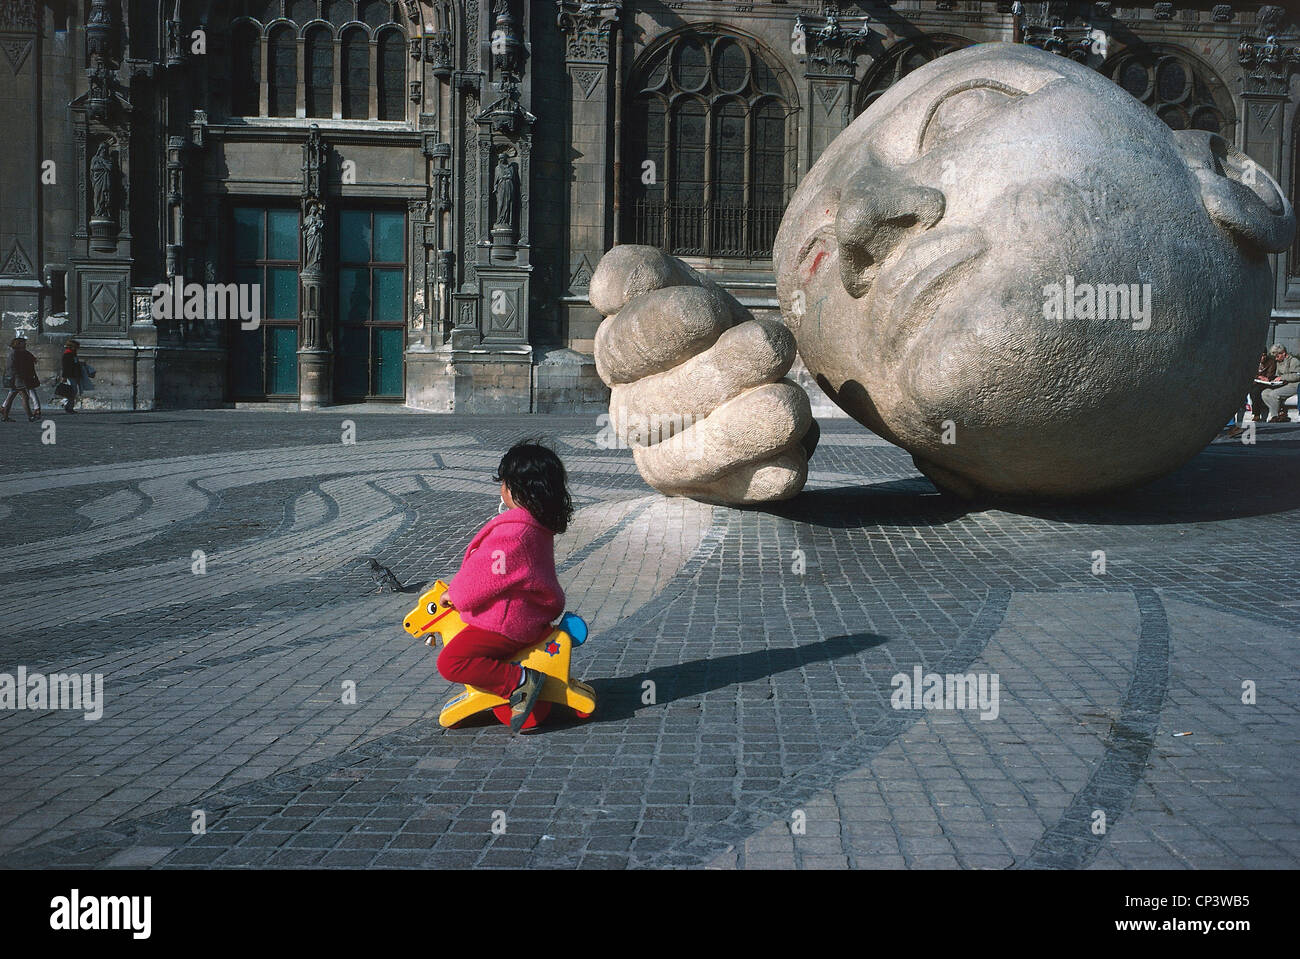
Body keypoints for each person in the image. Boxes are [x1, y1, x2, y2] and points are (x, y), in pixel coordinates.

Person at [436, 441, 572, 732]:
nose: (502, 489)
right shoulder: (534, 523)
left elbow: (484, 577)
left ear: (515, 489)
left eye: (505, 483)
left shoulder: (515, 532)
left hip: (509, 622)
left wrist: (455, 595)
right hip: (526, 613)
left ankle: (521, 681)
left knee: (451, 661)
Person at [1228, 349, 1280, 437]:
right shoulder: (1251, 361)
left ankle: (1232, 425)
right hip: (1252, 382)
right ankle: (1231, 426)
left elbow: (1270, 374)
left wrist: (1265, 378)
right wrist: (1258, 377)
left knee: (1255, 392)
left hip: (1262, 383)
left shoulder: (1270, 362)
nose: (1262, 357)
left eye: (1264, 355)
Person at [2, 336, 42, 422]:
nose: (25, 344)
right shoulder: (14, 353)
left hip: (18, 379)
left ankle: (5, 416)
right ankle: (30, 416)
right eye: (23, 342)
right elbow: (11, 367)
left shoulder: (22, 353)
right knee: (25, 397)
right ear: (18, 344)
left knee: (11, 397)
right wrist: (18, 376)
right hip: (17, 379)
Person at [1262, 343, 1299, 423]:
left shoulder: (1294, 361)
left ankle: (1274, 416)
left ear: (1283, 353)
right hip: (1282, 385)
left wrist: (1282, 377)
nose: (1276, 358)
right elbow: (1277, 375)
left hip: (1293, 385)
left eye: (1277, 356)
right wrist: (1271, 380)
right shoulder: (1279, 362)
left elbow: (1297, 376)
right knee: (1265, 393)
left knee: (1274, 394)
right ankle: (1280, 414)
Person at [60, 339, 82, 413]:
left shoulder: (72, 354)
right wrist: (64, 377)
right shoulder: (68, 355)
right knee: (72, 391)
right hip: (70, 375)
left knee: (73, 391)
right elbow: (65, 367)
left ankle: (69, 406)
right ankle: (68, 407)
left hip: (73, 375)